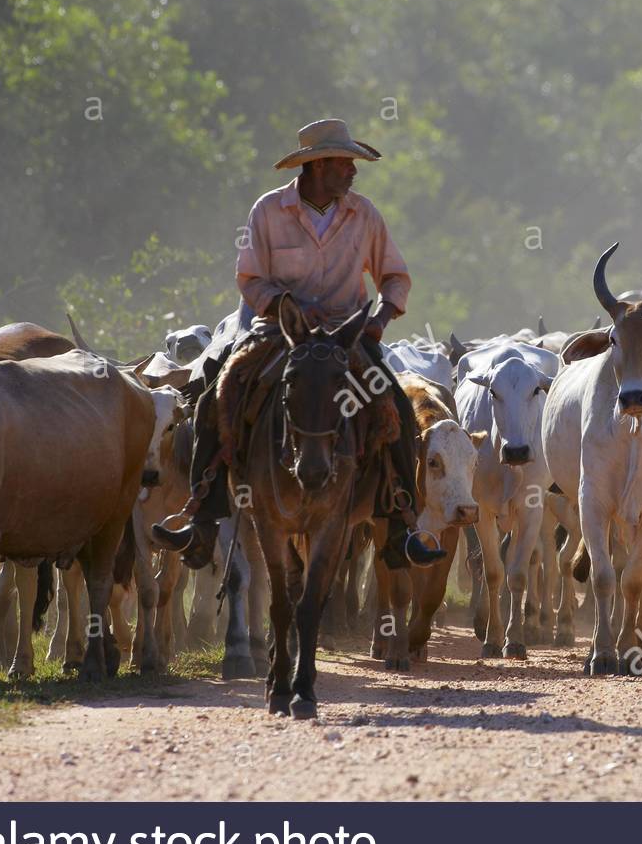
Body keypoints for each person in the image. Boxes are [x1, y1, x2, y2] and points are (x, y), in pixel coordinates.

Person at [150, 118, 446, 570]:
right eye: (345, 162)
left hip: (347, 338)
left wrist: (381, 319)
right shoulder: (267, 211)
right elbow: (250, 278)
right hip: (280, 331)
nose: (353, 170)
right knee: (213, 399)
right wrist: (284, 305)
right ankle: (203, 519)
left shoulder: (364, 214)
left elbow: (394, 277)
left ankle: (401, 525)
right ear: (319, 165)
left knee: (396, 409)